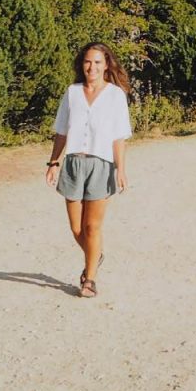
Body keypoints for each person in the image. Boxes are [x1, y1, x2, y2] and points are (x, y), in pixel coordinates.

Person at [44, 42, 132, 297]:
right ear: (81, 64)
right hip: (72, 164)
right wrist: (53, 163)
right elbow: (61, 132)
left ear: (106, 65)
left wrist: (121, 169)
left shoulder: (116, 95)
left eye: (97, 62)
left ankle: (89, 278)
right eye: (87, 62)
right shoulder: (72, 93)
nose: (91, 67)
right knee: (77, 229)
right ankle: (96, 254)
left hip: (101, 165)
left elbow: (119, 137)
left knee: (92, 227)